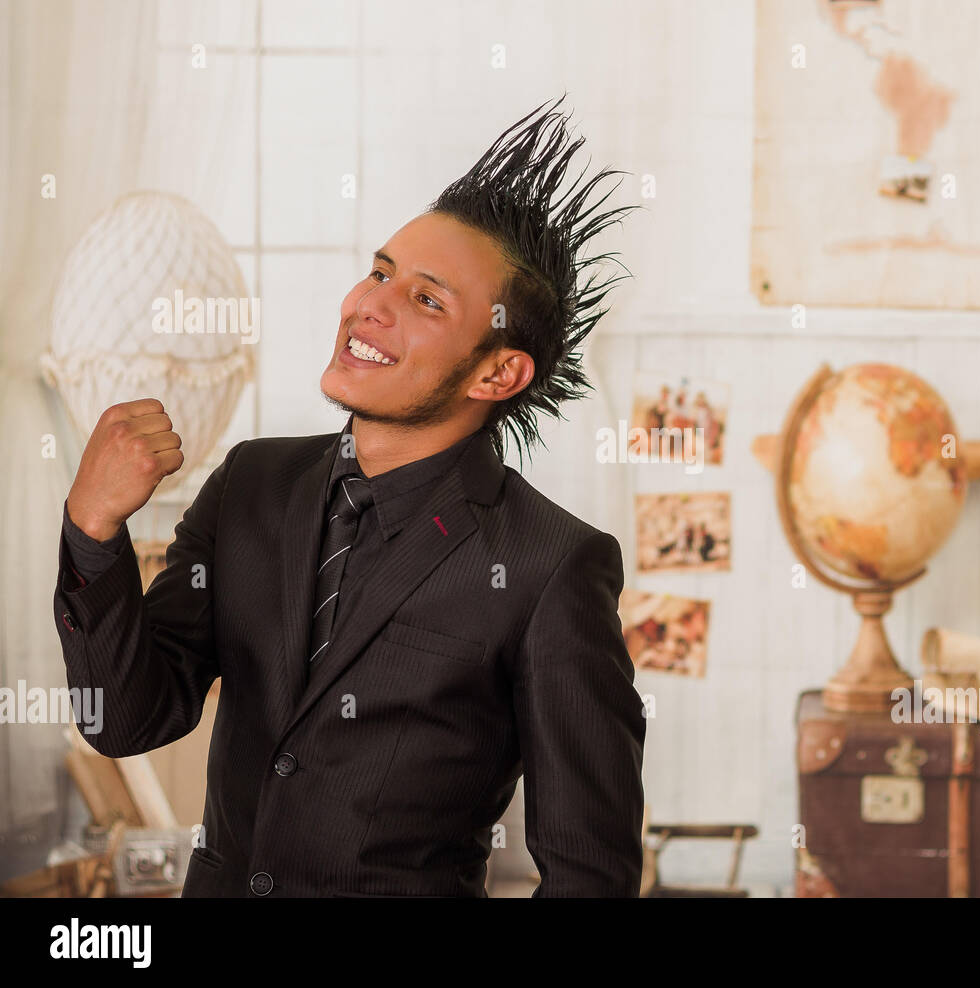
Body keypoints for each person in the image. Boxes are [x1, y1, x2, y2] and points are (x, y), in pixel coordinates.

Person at [53, 97, 646, 898]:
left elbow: (591, 874)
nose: (370, 305)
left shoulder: (549, 566)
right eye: (380, 272)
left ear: (497, 372)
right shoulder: (250, 487)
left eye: (427, 300)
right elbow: (125, 720)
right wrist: (93, 528)